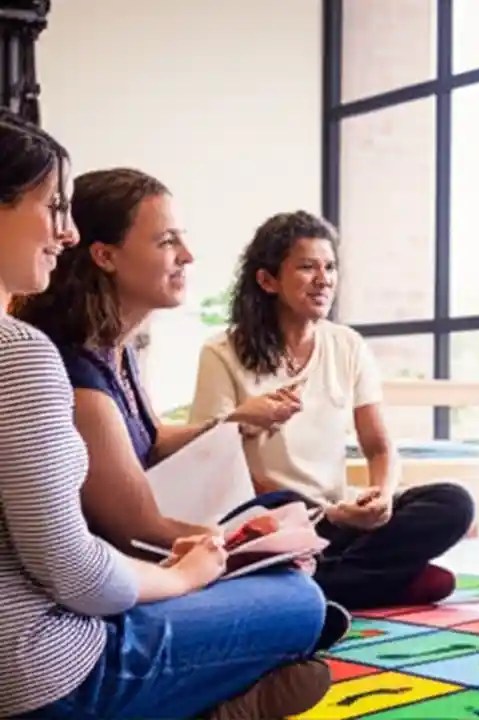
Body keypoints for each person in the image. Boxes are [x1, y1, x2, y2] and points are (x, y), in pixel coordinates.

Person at [0, 110, 330, 719]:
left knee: (274, 525)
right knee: (303, 605)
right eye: (52, 208)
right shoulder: (27, 357)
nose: (64, 232)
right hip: (46, 676)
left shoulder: (98, 351)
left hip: (45, 639)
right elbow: (82, 570)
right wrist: (191, 573)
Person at [188, 210, 475, 610]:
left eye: (330, 267)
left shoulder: (347, 345)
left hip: (339, 521)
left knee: (454, 503)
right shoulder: (221, 353)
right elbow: (214, 463)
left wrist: (383, 496)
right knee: (282, 531)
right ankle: (374, 579)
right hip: (275, 522)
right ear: (268, 280)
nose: (324, 280)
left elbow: (378, 445)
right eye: (307, 267)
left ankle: (322, 584)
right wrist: (322, 512)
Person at [12, 168, 303, 553]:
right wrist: (249, 540)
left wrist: (235, 420)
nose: (188, 256)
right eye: (168, 242)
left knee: (285, 510)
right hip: (124, 578)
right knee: (300, 583)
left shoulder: (120, 350)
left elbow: (146, 438)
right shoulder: (78, 377)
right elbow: (139, 533)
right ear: (105, 255)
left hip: (151, 552)